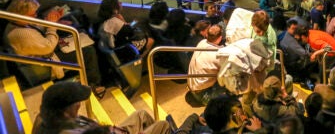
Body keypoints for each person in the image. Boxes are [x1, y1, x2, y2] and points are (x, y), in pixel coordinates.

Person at [32, 81, 170, 134]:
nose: (80, 104)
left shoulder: (47, 117)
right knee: (163, 125)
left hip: (110, 131)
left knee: (142, 114)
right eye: (77, 102)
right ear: (65, 109)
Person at [187, 24, 226, 106]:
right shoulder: (218, 55)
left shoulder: (202, 42)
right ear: (220, 38)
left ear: (207, 35)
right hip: (204, 94)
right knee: (231, 82)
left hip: (192, 88)